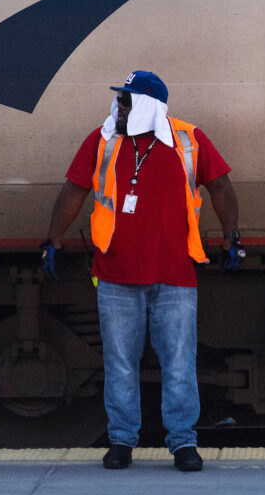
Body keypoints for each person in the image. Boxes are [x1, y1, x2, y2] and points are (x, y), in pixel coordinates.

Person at [41, 70, 245, 472]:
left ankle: (183, 443)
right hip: (115, 274)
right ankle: (121, 441)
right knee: (120, 362)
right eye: (119, 99)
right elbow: (73, 191)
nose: (118, 106)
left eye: (126, 101)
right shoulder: (101, 141)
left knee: (180, 363)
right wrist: (53, 239)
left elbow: (221, 187)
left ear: (148, 107)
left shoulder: (189, 140)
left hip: (176, 275)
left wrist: (232, 236)